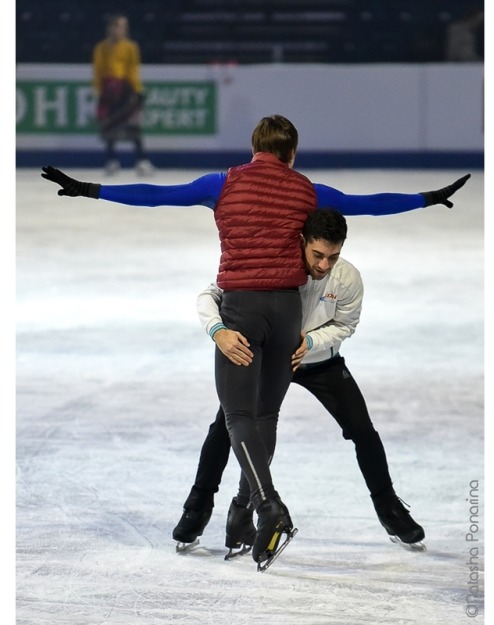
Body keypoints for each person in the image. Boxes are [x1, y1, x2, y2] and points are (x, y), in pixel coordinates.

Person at [41, 114, 469, 566]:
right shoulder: (307, 193)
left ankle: (255, 508)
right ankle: (220, 512)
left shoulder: (223, 183)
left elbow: (157, 196)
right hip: (284, 317)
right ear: (292, 154)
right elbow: (368, 203)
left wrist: (90, 188)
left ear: (253, 149)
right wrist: (426, 198)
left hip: (261, 320)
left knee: (237, 418)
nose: (324, 262)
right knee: (247, 420)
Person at [173, 209, 425, 559]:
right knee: (226, 428)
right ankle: (197, 509)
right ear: (302, 242)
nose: (324, 265)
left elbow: (345, 325)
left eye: (333, 257)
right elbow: (211, 294)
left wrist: (311, 342)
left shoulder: (347, 278)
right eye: (317, 255)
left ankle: (389, 508)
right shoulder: (270, 262)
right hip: (264, 362)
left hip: (320, 363)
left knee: (362, 429)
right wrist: (218, 330)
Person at [93, 14, 154, 175]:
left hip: (126, 90)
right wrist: (100, 92)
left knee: (133, 126)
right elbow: (98, 71)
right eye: (119, 26)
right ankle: (111, 160)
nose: (122, 30)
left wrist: (137, 90)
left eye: (124, 27)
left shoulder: (130, 47)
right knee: (110, 125)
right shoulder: (101, 48)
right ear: (111, 28)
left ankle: (142, 160)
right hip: (108, 91)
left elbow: (133, 69)